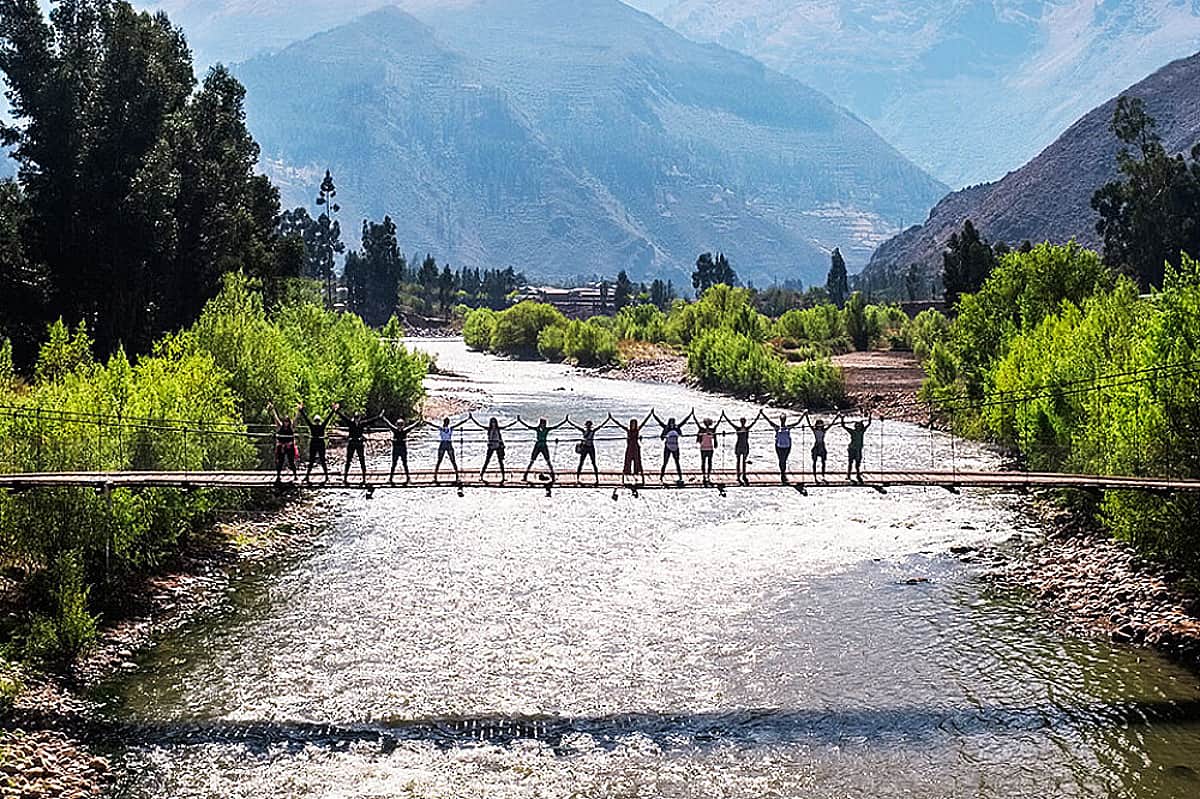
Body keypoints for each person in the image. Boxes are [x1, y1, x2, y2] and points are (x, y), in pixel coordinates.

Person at [333, 404, 380, 484]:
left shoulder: (362, 423)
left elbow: (371, 421)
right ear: (353, 418)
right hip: (352, 443)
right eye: (355, 418)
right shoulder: (350, 423)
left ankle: (364, 478)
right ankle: (345, 477)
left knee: (362, 459)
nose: (356, 419)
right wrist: (337, 411)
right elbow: (343, 417)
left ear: (359, 418)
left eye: (357, 418)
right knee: (348, 460)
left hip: (359, 443)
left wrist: (379, 417)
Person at [379, 412, 423, 484]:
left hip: (402, 449)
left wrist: (419, 421)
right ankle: (390, 478)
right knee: (394, 464)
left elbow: (412, 426)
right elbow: (388, 424)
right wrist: (383, 417)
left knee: (405, 464)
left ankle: (408, 478)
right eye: (399, 425)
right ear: (396, 425)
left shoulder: (405, 431)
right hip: (396, 449)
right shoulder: (395, 430)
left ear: (403, 426)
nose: (400, 427)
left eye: (401, 425)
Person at [521, 417, 568, 482]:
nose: (544, 425)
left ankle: (553, 476)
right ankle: (525, 476)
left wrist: (565, 421)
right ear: (540, 424)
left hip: (544, 446)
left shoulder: (546, 429)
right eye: (543, 423)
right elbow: (528, 426)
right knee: (532, 461)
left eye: (544, 424)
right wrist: (520, 421)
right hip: (537, 446)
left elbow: (556, 427)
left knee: (548, 461)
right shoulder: (537, 429)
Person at [298, 401, 333, 483]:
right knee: (319, 460)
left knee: (316, 460)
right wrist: (333, 411)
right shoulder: (321, 426)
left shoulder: (313, 426)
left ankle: (311, 476)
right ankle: (324, 476)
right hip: (319, 443)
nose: (317, 422)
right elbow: (327, 419)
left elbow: (306, 419)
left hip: (315, 443)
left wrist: (301, 410)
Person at [612, 413, 652, 483]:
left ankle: (642, 479)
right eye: (632, 424)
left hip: (636, 448)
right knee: (627, 462)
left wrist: (650, 415)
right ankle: (623, 479)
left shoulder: (637, 430)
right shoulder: (628, 430)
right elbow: (620, 425)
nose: (633, 425)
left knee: (638, 462)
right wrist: (612, 419)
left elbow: (644, 422)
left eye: (634, 424)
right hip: (630, 448)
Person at [267, 402, 299, 483]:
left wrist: (299, 411)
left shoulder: (291, 428)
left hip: (290, 447)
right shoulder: (280, 427)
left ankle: (295, 475)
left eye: (287, 421)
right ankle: (278, 476)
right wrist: (273, 409)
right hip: (281, 447)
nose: (286, 423)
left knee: (291, 462)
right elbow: (276, 418)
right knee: (280, 462)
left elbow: (296, 419)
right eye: (285, 421)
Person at [433, 417, 466, 483]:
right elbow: (458, 424)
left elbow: (432, 425)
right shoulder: (447, 428)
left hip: (445, 444)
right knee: (446, 460)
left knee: (450, 460)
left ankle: (436, 476)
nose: (446, 423)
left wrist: (466, 419)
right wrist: (466, 419)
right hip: (447, 444)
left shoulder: (444, 428)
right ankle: (436, 476)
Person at [479, 416, 512, 483]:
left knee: (500, 462)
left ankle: (503, 476)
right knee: (487, 461)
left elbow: (506, 427)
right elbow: (480, 425)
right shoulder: (489, 429)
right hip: (491, 446)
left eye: (494, 422)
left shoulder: (498, 429)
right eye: (492, 422)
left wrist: (517, 421)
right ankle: (481, 475)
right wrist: (471, 418)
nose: (493, 424)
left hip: (498, 446)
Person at [841, 414, 873, 482]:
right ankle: (848, 475)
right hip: (852, 449)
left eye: (859, 426)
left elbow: (869, 424)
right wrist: (842, 419)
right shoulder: (852, 432)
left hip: (858, 449)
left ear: (861, 427)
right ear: (855, 426)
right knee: (850, 462)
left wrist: (870, 416)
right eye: (857, 426)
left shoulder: (862, 431)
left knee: (857, 463)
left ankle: (858, 475)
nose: (858, 427)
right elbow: (843, 426)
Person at [767, 414, 797, 484]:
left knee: (784, 460)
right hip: (779, 446)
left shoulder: (788, 427)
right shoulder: (777, 428)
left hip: (787, 446)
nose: (783, 420)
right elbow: (769, 421)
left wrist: (804, 415)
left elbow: (797, 422)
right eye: (782, 419)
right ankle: (782, 474)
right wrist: (762, 414)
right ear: (780, 420)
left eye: (784, 419)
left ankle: (783, 474)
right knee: (781, 460)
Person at [724, 413, 752, 486]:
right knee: (739, 461)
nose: (743, 423)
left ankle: (743, 475)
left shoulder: (744, 428)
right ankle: (739, 475)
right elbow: (730, 423)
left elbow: (754, 422)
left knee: (742, 462)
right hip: (741, 445)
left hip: (743, 445)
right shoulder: (740, 428)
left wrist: (759, 415)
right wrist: (724, 416)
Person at [656, 414, 684, 483]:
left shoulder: (677, 428)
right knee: (665, 462)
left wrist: (691, 415)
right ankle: (661, 477)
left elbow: (684, 422)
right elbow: (660, 423)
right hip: (667, 447)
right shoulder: (666, 428)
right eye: (671, 422)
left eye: (673, 422)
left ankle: (680, 477)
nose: (672, 424)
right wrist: (653, 415)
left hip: (675, 447)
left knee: (677, 462)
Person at [806, 413, 833, 483]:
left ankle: (823, 475)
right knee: (814, 461)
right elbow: (809, 424)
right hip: (816, 445)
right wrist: (806, 416)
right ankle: (814, 475)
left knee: (823, 462)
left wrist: (837, 417)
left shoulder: (824, 430)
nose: (820, 425)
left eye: (821, 424)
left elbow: (831, 424)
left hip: (822, 446)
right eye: (819, 424)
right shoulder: (815, 430)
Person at [697, 418, 718, 484]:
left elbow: (717, 425)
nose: (707, 425)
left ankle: (708, 475)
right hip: (703, 448)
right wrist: (693, 415)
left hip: (710, 448)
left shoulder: (712, 430)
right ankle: (704, 475)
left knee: (709, 462)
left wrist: (721, 417)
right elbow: (697, 423)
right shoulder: (702, 430)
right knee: (703, 462)